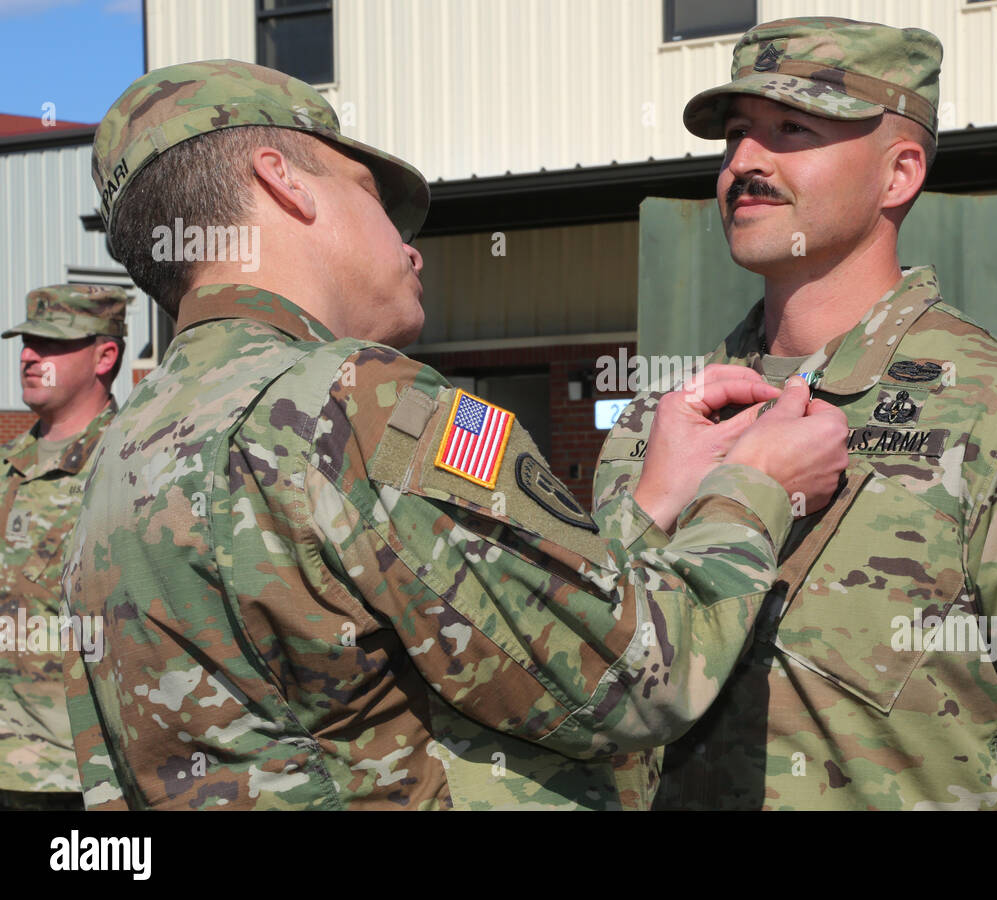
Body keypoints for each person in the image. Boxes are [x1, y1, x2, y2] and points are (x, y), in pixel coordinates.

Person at [61, 59, 848, 810]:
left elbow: (439, 622)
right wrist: (757, 488)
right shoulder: (361, 402)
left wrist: (649, 505)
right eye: (371, 195)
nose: (409, 244)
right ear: (283, 180)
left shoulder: (121, 449)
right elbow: (633, 682)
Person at [594, 17, 997, 810]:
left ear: (899, 175)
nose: (743, 165)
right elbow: (579, 680)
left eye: (791, 129)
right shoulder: (663, 421)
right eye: (735, 135)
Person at [0, 284, 126, 809]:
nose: (29, 355)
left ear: (105, 355)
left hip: (79, 780)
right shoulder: (9, 463)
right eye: (28, 342)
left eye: (50, 344)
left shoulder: (132, 465)